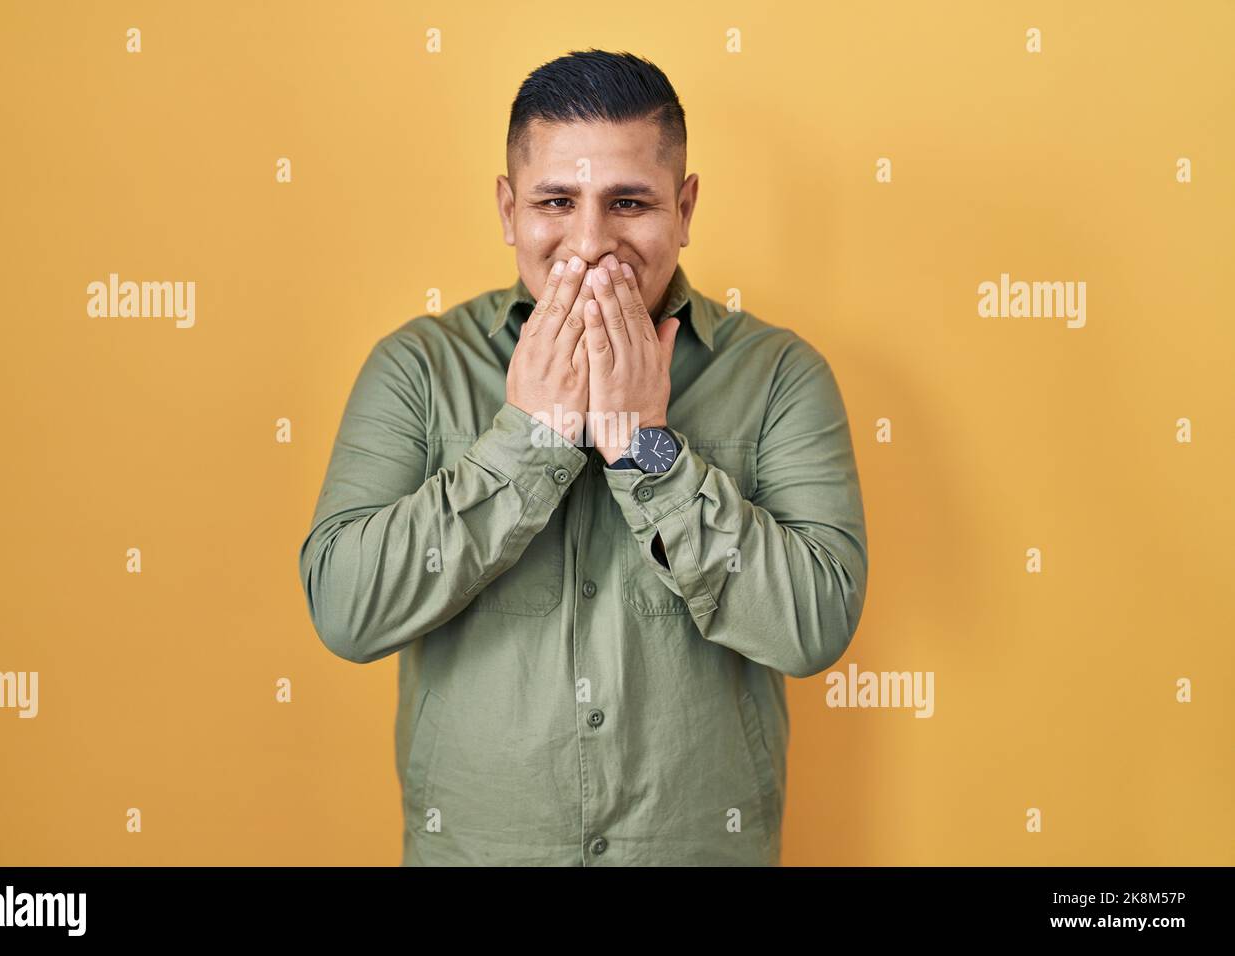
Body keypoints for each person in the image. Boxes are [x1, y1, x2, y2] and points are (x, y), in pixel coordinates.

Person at [298, 49, 868, 866]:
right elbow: (346, 609)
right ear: (508, 209)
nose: (591, 244)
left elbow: (814, 625)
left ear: (685, 206)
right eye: (556, 201)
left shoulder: (781, 375)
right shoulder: (417, 367)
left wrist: (649, 449)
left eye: (629, 202)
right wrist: (529, 438)